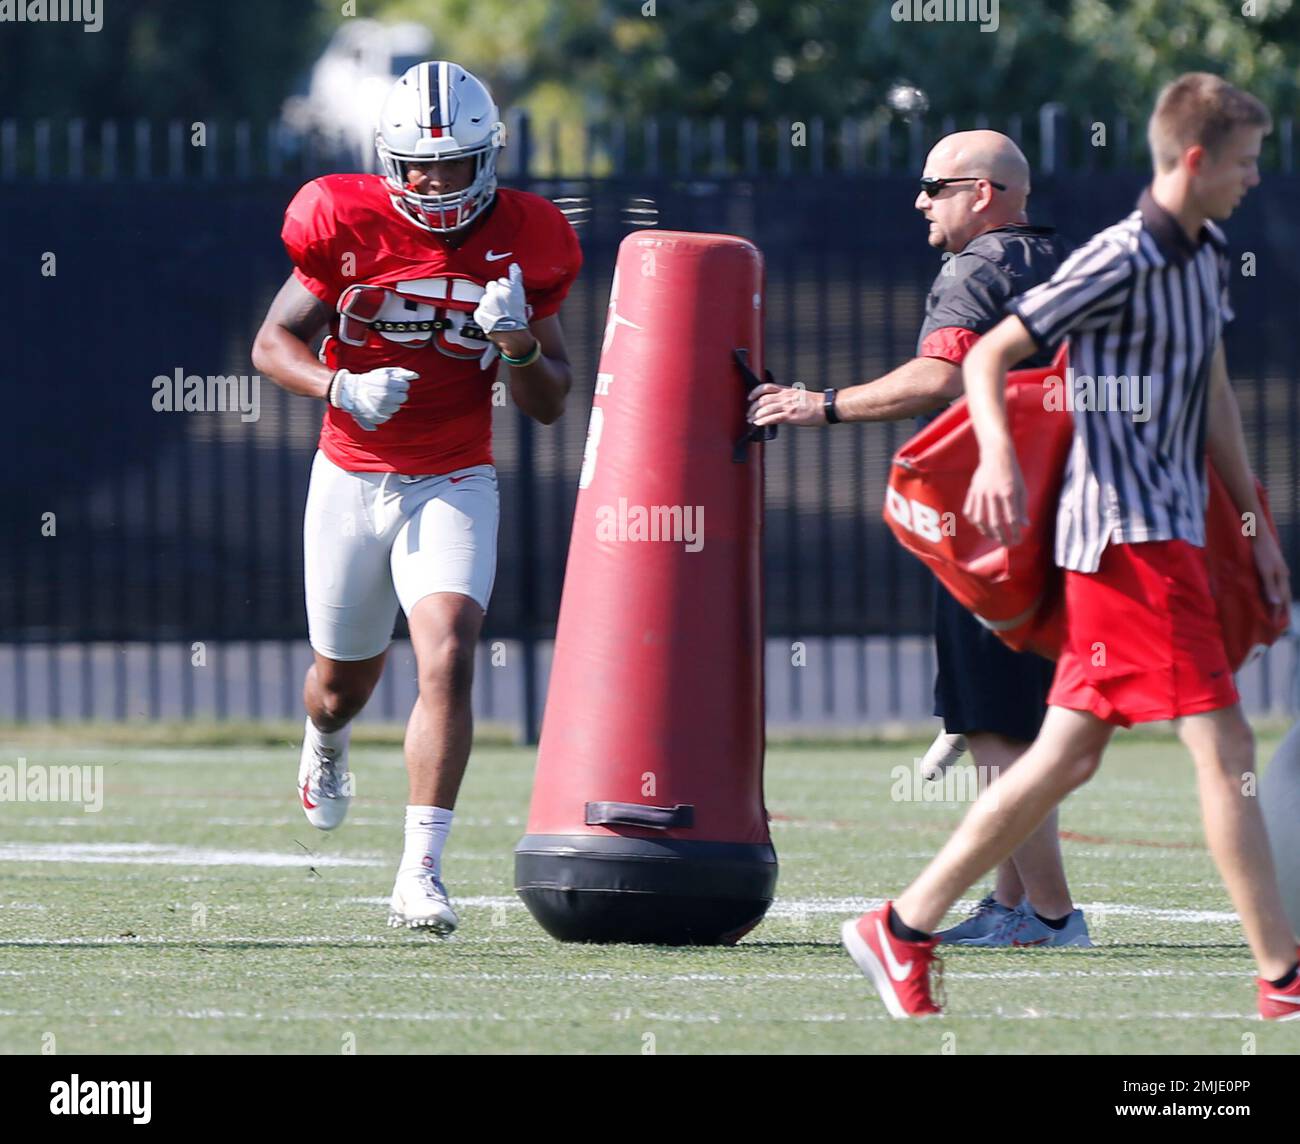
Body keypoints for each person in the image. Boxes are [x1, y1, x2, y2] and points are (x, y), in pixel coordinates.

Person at [842, 73, 1299, 1019]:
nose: (1256, 179)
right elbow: (990, 356)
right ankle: (1284, 980)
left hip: (1162, 534)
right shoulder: (1121, 258)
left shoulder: (1207, 256)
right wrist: (1001, 459)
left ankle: (904, 926)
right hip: (1126, 541)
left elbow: (1212, 395)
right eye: (1248, 163)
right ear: (1200, 160)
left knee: (1064, 756)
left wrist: (1250, 522)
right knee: (1223, 745)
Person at [251, 61, 582, 933]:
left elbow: (550, 401)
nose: (436, 183)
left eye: (456, 164)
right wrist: (339, 388)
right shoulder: (343, 217)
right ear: (387, 160)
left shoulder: (527, 236)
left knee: (449, 652)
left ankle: (420, 873)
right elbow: (272, 343)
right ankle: (324, 743)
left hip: (454, 474)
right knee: (339, 687)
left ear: (492, 158)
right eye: (419, 165)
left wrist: (513, 341)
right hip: (351, 472)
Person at [749, 131, 1089, 946]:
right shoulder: (1063, 260)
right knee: (1017, 719)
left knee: (998, 726)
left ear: (982, 192)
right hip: (1065, 515)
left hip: (995, 523)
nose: (919, 200)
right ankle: (1011, 906)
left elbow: (938, 376)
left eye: (933, 186)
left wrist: (817, 403)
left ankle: (1050, 914)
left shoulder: (979, 267)